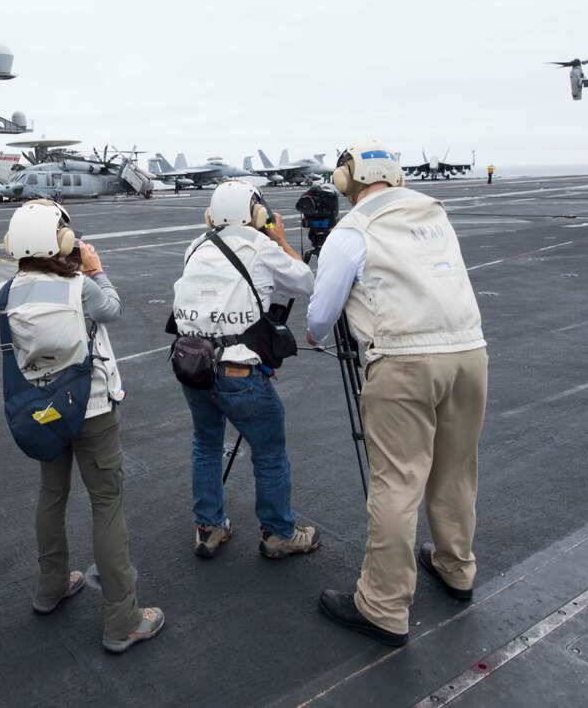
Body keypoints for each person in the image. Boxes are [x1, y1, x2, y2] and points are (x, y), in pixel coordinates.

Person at [307, 144, 488, 647]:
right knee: (456, 470)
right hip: (470, 353)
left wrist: (316, 333)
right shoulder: (434, 212)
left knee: (397, 482)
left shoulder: (352, 230)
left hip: (404, 359)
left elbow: (321, 314)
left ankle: (383, 606)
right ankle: (456, 567)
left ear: (348, 181)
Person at [0, 200, 164, 653]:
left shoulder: (3, 295)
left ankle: (50, 585)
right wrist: (97, 270)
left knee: (51, 494)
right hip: (91, 408)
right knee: (106, 502)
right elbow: (113, 309)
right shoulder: (80, 287)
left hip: (42, 411)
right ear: (61, 241)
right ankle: (122, 619)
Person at [170, 179, 318, 560]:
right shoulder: (262, 248)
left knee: (205, 443)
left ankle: (209, 527)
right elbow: (307, 282)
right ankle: (279, 533)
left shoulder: (195, 246)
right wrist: (280, 239)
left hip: (193, 363)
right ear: (256, 212)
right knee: (269, 451)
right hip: (238, 371)